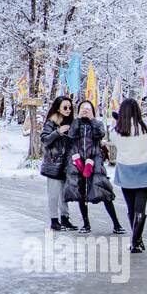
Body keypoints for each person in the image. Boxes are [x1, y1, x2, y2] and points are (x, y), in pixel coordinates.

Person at [63, 100, 125, 234]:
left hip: (94, 161)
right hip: (78, 161)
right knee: (81, 193)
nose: (85, 110)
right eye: (82, 108)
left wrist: (92, 119)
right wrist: (78, 118)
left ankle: (116, 224)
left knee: (103, 190)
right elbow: (71, 136)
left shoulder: (97, 123)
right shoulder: (75, 123)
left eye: (88, 108)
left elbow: (100, 134)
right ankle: (86, 223)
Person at [111, 97, 147, 253]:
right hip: (144, 169)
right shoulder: (146, 128)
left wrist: (118, 121)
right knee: (140, 207)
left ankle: (136, 240)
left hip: (125, 170)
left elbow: (116, 140)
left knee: (131, 208)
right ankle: (136, 242)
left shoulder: (116, 132)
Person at [40, 95, 76, 231]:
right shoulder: (51, 122)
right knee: (54, 194)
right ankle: (54, 220)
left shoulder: (72, 122)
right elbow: (44, 139)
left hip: (67, 163)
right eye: (65, 107)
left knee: (65, 193)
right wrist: (58, 132)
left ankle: (65, 218)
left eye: (70, 107)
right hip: (54, 163)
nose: (68, 110)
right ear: (58, 108)